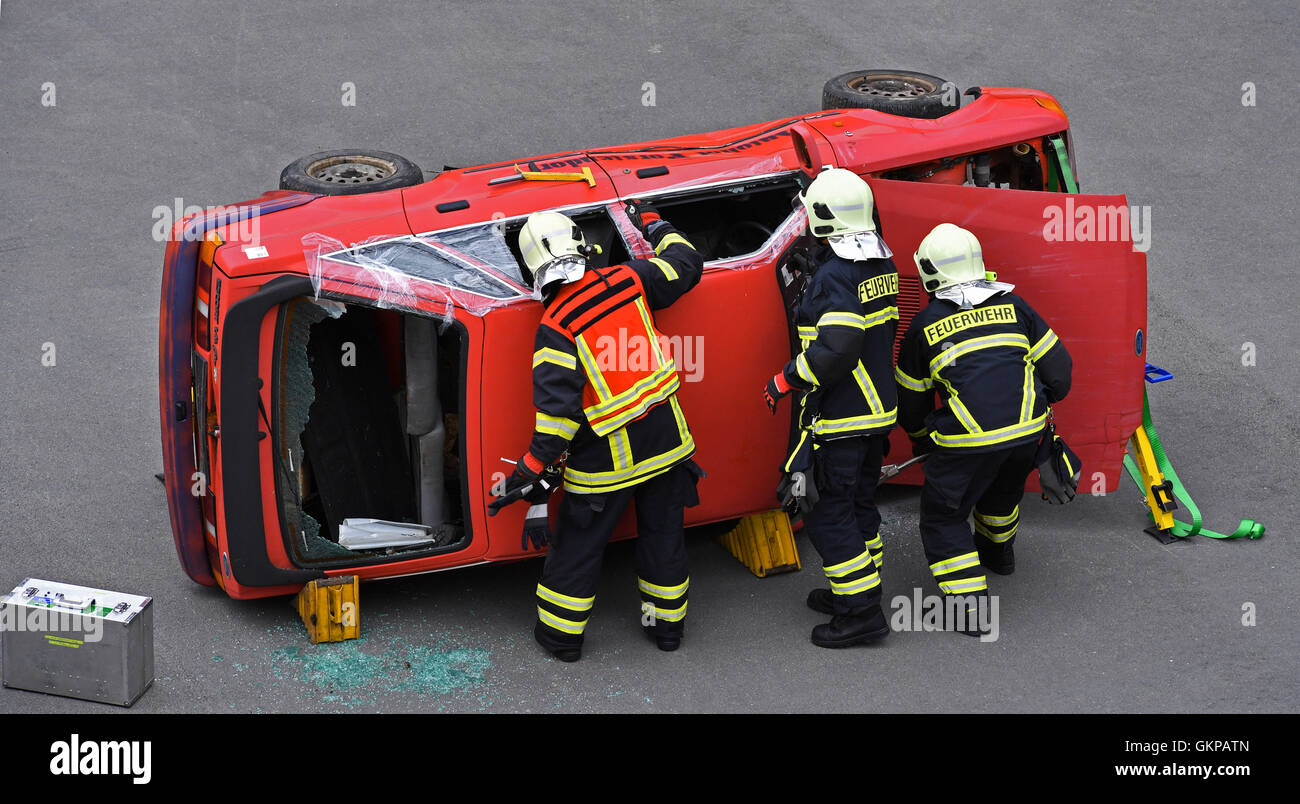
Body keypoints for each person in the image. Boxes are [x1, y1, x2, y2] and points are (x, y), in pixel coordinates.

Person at [492, 204, 705, 662]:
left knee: (578, 547)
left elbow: (557, 419)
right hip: (668, 445)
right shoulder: (629, 280)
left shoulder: (555, 327)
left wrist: (528, 470)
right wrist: (653, 222)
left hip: (607, 465)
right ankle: (667, 629)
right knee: (663, 536)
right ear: (581, 249)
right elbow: (687, 264)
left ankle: (561, 639)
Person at [894, 222, 1072, 635]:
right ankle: (998, 555)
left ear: (928, 271)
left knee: (944, 518)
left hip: (965, 445)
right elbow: (1060, 376)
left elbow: (913, 402)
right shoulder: (1016, 307)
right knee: (1001, 494)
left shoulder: (922, 327)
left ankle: (970, 611)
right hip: (1027, 435)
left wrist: (922, 439)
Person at [763, 168, 899, 648]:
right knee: (859, 504)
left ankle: (861, 612)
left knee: (827, 514)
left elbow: (838, 347)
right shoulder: (880, 262)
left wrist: (785, 379)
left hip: (842, 419)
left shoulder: (834, 277)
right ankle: (860, 591)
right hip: (876, 413)